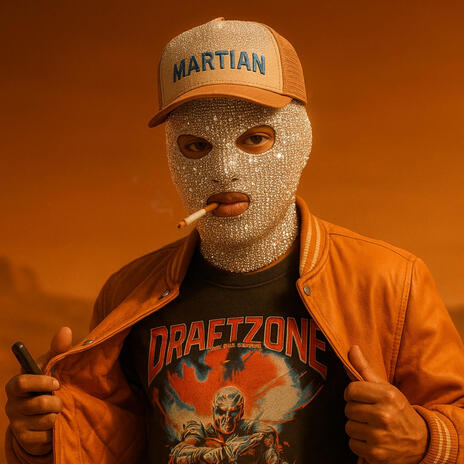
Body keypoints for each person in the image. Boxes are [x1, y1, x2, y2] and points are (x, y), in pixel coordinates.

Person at [4, 17, 464, 464]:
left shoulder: (390, 282)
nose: (224, 170)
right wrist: (41, 440)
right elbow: (103, 448)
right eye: (196, 146)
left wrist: (425, 439)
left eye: (255, 139)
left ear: (301, 141)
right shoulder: (127, 297)